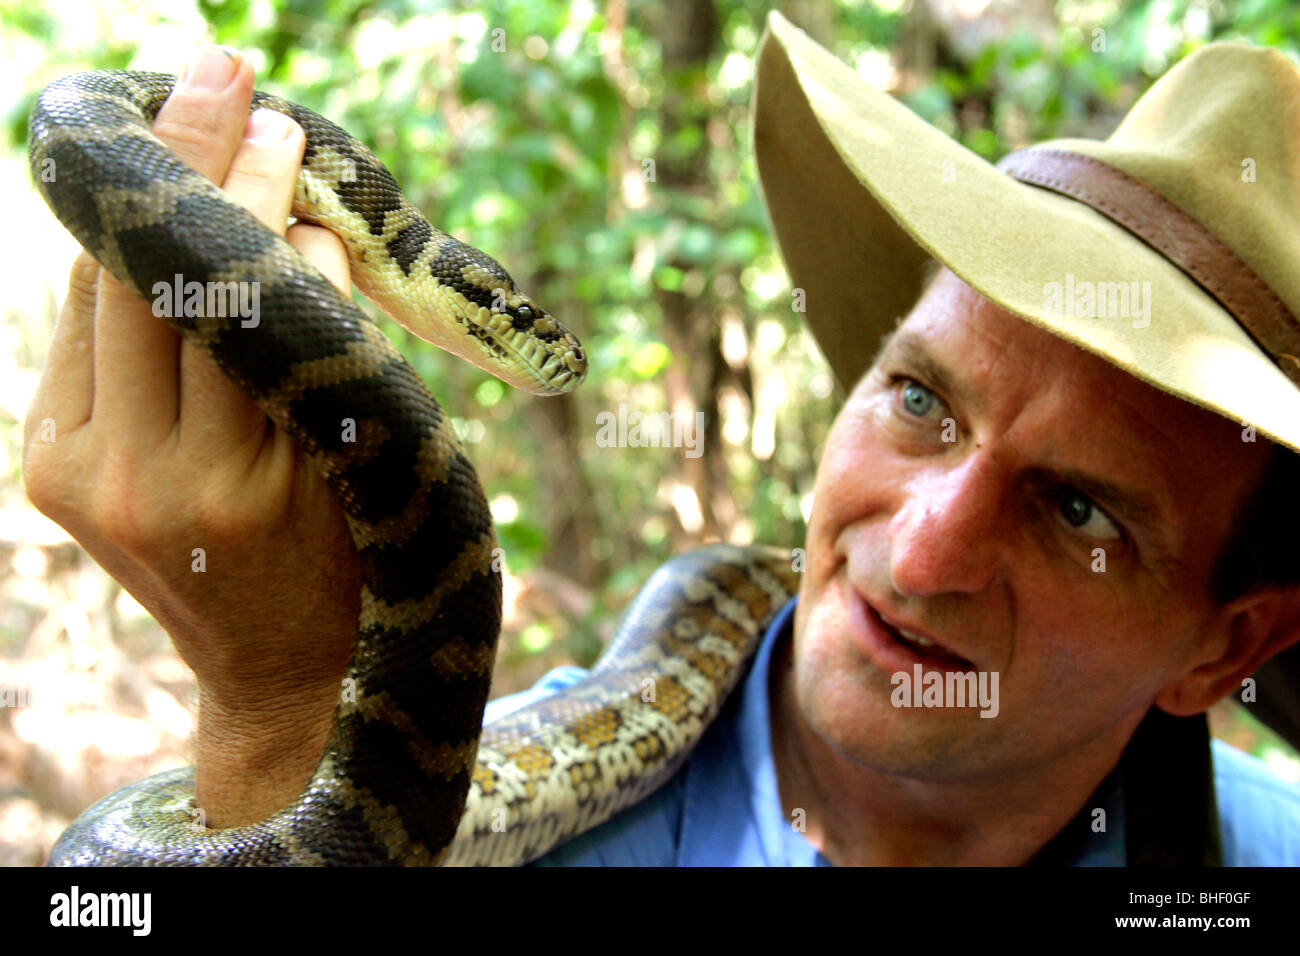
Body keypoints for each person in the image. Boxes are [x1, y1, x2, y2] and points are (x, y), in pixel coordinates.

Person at [25, 13, 1300, 865]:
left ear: (1227, 644)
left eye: (1080, 509)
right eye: (921, 400)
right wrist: (278, 712)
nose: (921, 555)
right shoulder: (495, 797)